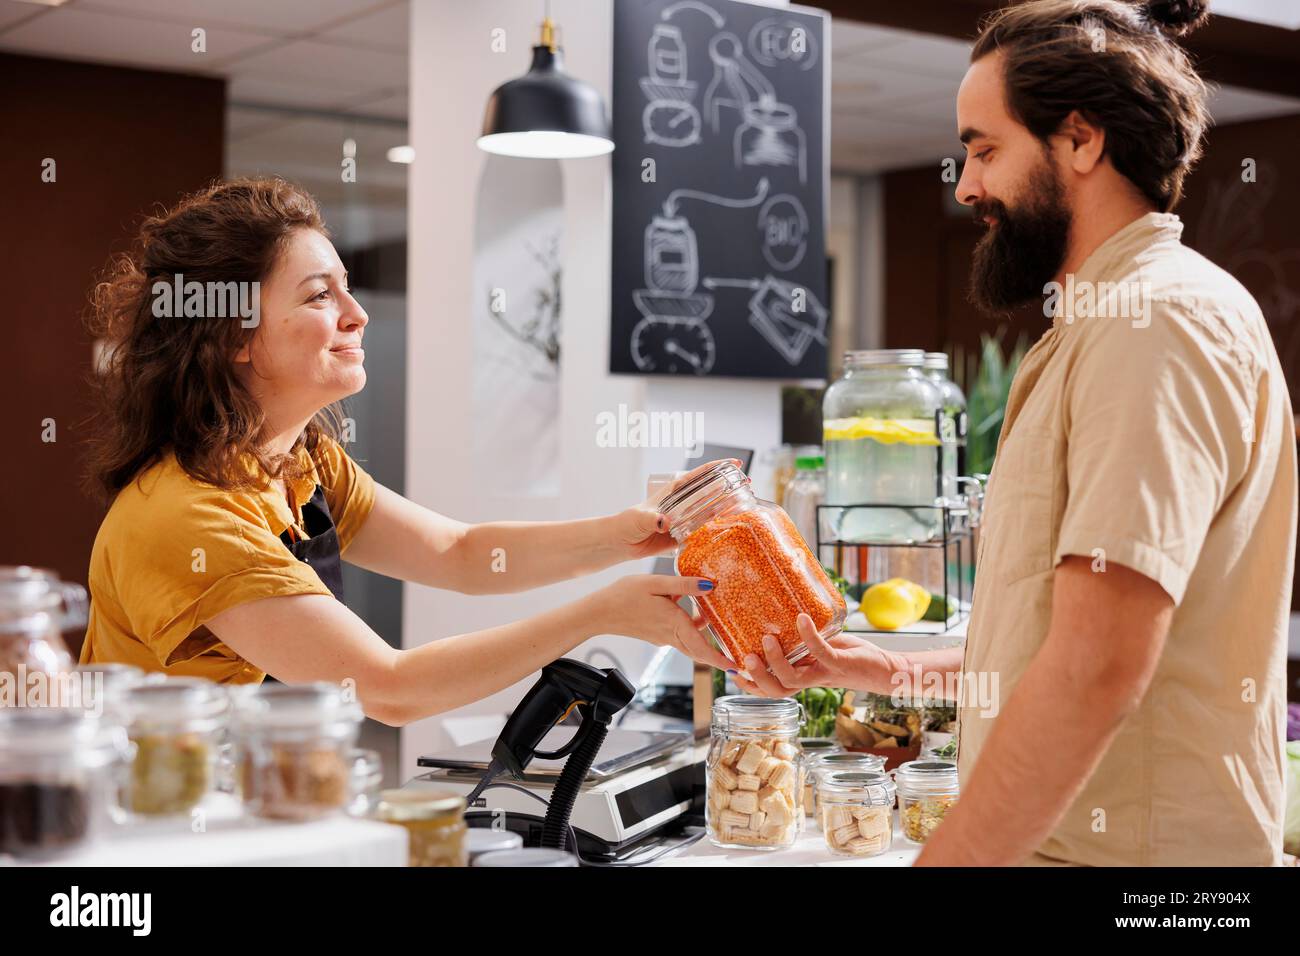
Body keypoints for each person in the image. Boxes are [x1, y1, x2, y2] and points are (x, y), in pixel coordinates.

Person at [736, 0, 1296, 866]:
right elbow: (1057, 641)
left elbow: (1096, 669)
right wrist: (887, 675)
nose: (964, 186)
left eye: (984, 150)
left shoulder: (1156, 322)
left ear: (1081, 140)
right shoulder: (1097, 325)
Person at [80, 177, 732, 725]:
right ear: (233, 337)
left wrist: (627, 535)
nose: (356, 313)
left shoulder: (299, 461)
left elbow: (461, 553)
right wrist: (601, 612)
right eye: (318, 295)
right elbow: (385, 687)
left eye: (346, 286)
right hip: (152, 819)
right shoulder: (190, 517)